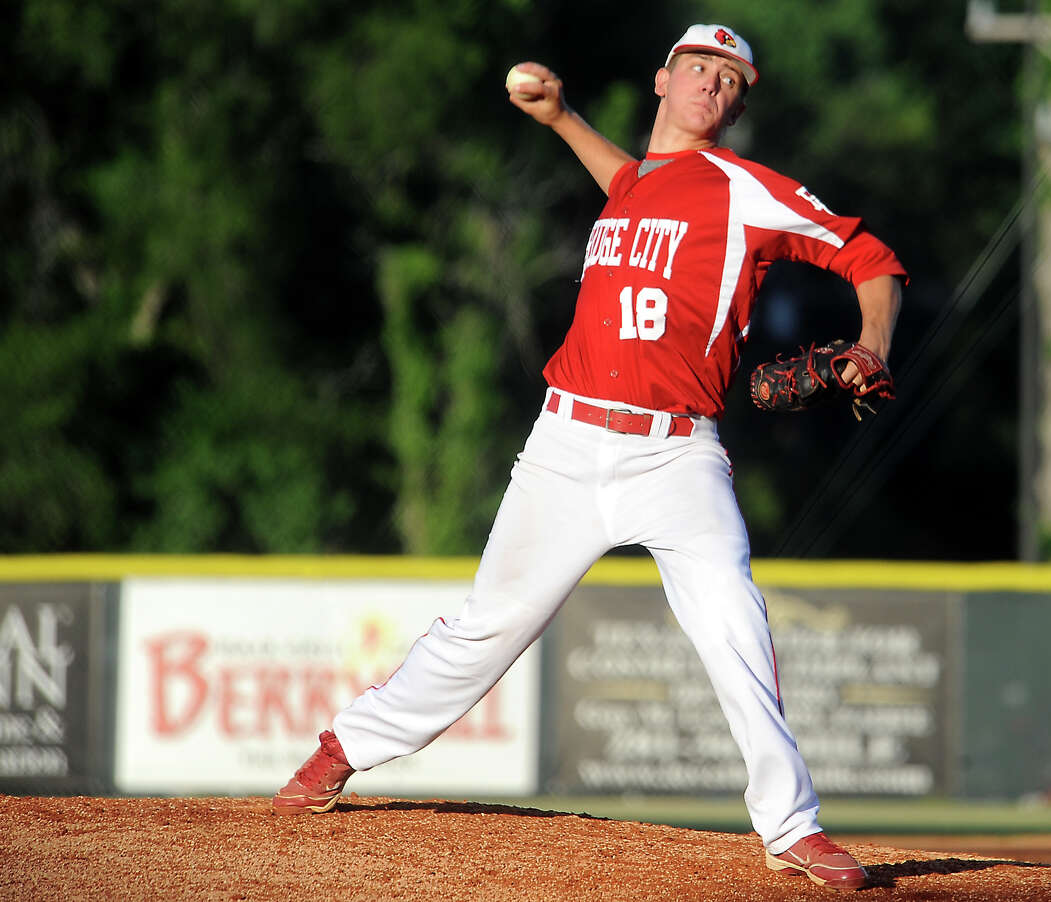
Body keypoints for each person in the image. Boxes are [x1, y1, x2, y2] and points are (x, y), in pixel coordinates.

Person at [273, 23, 907, 892]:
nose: (713, 86)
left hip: (677, 458)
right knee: (487, 628)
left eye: (731, 81)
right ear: (662, 78)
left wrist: (872, 346)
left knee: (735, 625)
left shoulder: (746, 191)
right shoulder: (636, 185)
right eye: (698, 68)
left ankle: (791, 827)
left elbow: (872, 259)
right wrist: (561, 113)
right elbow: (634, 182)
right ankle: (341, 751)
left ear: (738, 106)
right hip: (566, 444)